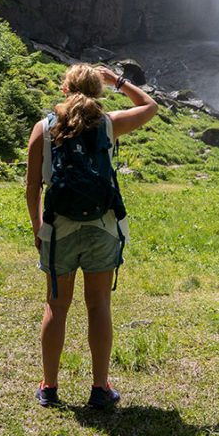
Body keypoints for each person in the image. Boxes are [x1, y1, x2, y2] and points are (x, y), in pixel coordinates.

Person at [25, 63, 158, 408]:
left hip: (59, 229)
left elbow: (32, 188)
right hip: (102, 226)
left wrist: (39, 228)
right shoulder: (109, 123)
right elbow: (151, 107)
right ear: (98, 91)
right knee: (98, 304)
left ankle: (49, 387)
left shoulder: (43, 128)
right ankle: (100, 388)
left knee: (57, 305)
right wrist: (119, 81)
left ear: (65, 89)